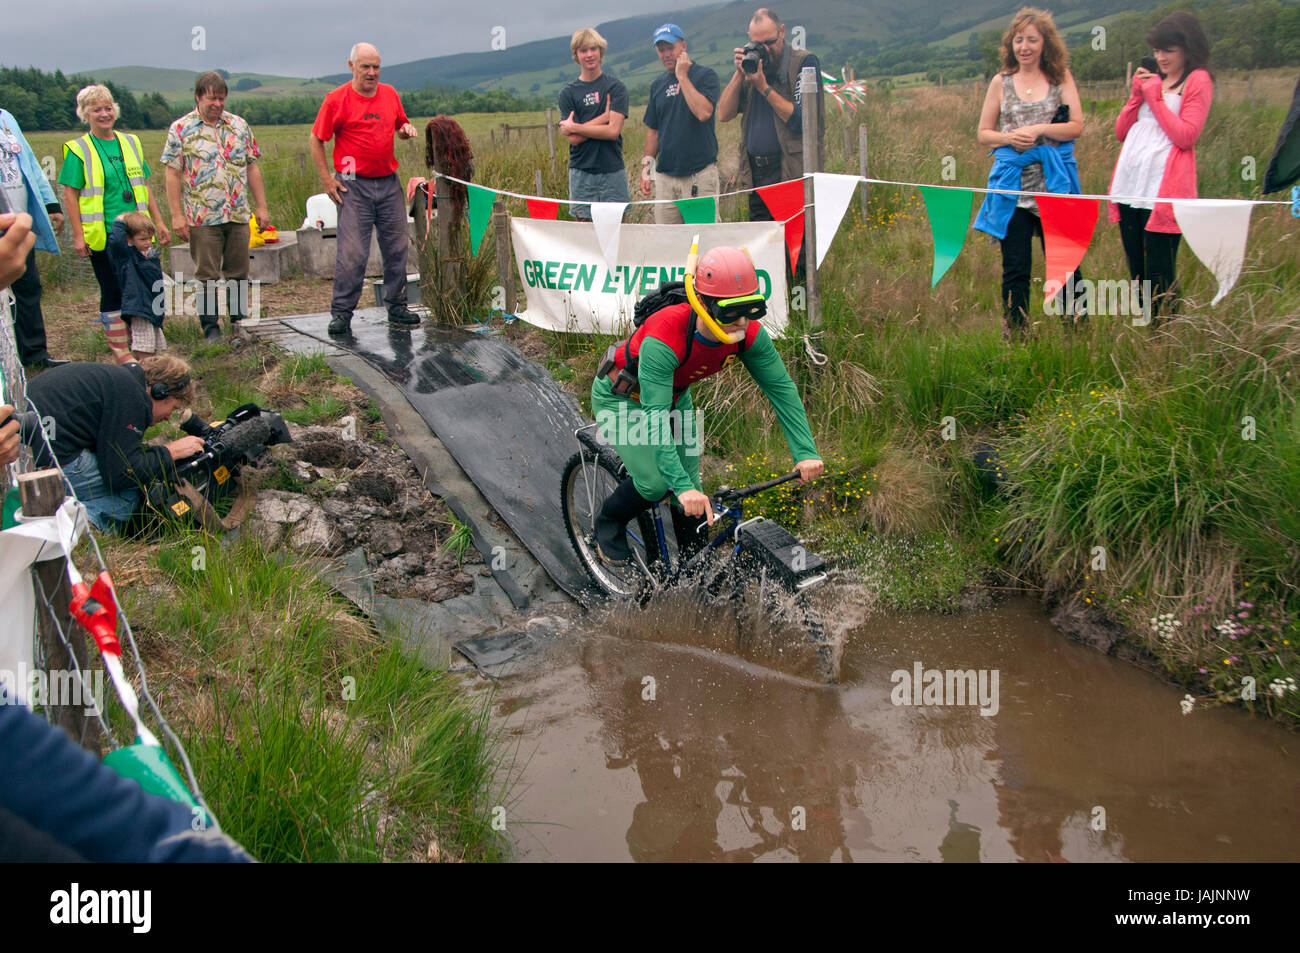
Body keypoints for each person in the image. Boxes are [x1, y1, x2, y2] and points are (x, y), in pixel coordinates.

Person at [590, 243, 822, 564]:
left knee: (693, 488)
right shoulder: (665, 336)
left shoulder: (749, 335)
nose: (742, 322)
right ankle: (607, 522)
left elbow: (781, 389)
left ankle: (692, 569)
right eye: (730, 312)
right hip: (622, 397)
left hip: (675, 396)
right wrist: (681, 487)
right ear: (703, 305)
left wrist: (805, 451)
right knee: (659, 484)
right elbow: (655, 419)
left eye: (752, 308)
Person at [973, 7, 1086, 340]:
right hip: (1013, 190)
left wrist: (1039, 129)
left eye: (1032, 40)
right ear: (1010, 44)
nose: (1024, 46)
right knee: (1016, 269)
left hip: (1055, 186)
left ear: (1044, 43)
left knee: (1067, 265)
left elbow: (1076, 126)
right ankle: (1017, 336)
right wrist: (1009, 138)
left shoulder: (1060, 77)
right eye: (1018, 40)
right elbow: (983, 132)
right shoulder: (1000, 82)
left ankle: (1077, 332)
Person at [1107, 12, 1213, 322]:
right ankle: (1150, 339)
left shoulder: (1198, 80)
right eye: (1156, 50)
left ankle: (1166, 338)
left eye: (1168, 50)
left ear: (1187, 48)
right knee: (1137, 270)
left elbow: (1186, 135)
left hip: (1164, 191)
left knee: (1160, 271)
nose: (1161, 57)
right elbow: (1121, 132)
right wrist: (1135, 95)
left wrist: (1153, 96)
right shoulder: (1153, 81)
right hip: (1131, 185)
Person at [21, 355, 204, 532]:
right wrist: (170, 452)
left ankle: (65, 516)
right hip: (52, 465)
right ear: (160, 391)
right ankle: (80, 526)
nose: (167, 418)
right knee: (137, 493)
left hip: (26, 454)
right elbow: (122, 474)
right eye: (173, 408)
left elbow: (114, 450)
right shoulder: (132, 397)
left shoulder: (118, 381)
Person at [311, 43, 420, 336]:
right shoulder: (336, 99)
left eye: (376, 67)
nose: (371, 73)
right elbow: (316, 139)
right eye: (365, 67)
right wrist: (327, 180)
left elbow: (401, 123)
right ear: (351, 66)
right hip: (352, 184)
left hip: (388, 180)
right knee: (353, 253)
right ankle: (342, 314)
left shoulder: (390, 94)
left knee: (397, 247)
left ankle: (397, 308)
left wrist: (405, 129)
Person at [61, 85, 170, 359]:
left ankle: (143, 344)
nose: (104, 114)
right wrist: (77, 235)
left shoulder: (131, 142)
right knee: (112, 290)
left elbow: (143, 186)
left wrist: (158, 221)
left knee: (144, 286)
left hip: (139, 233)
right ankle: (121, 352)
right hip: (105, 235)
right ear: (85, 114)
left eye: (108, 107)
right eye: (96, 109)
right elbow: (70, 196)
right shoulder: (78, 150)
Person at [163, 72, 269, 344]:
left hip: (237, 213)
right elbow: (173, 173)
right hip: (202, 216)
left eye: (222, 98)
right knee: (207, 274)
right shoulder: (180, 129)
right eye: (212, 98)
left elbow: (252, 165)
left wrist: (262, 206)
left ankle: (238, 321)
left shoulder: (239, 125)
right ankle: (210, 328)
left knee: (238, 271)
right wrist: (177, 215)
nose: (218, 104)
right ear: (198, 97)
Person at [716, 8, 825, 225]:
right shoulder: (752, 67)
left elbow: (803, 120)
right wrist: (740, 73)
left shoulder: (803, 63)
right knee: (764, 250)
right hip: (756, 175)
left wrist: (763, 87)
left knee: (795, 250)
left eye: (769, 42)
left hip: (789, 172)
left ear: (782, 32)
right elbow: (723, 114)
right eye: (757, 44)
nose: (764, 50)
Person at [2, 105, 66, 370]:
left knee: (28, 287)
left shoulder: (6, 117)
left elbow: (28, 162)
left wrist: (51, 203)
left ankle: (34, 354)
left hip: (19, 222)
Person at [641, 24, 721, 224]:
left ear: (683, 46)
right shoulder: (657, 85)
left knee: (703, 239)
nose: (666, 54)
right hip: (666, 178)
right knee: (667, 243)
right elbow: (653, 131)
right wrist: (646, 169)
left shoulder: (705, 76)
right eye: (661, 50)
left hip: (699, 174)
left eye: (670, 48)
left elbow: (703, 112)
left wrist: (682, 76)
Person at [557, 28, 630, 222]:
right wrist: (604, 117)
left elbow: (613, 131)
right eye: (583, 51)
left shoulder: (615, 88)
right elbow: (574, 139)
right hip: (581, 173)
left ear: (600, 51)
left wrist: (575, 126)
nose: (589, 55)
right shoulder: (568, 93)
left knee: (618, 232)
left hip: (612, 170)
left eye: (593, 49)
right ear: (576, 55)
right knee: (584, 235)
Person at [106, 212, 168, 362]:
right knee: (144, 346)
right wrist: (120, 221)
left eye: (149, 238)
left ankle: (152, 373)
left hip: (152, 308)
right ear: (129, 239)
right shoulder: (126, 257)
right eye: (142, 239)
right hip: (138, 308)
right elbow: (116, 243)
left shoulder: (149, 256)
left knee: (152, 346)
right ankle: (145, 376)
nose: (148, 242)